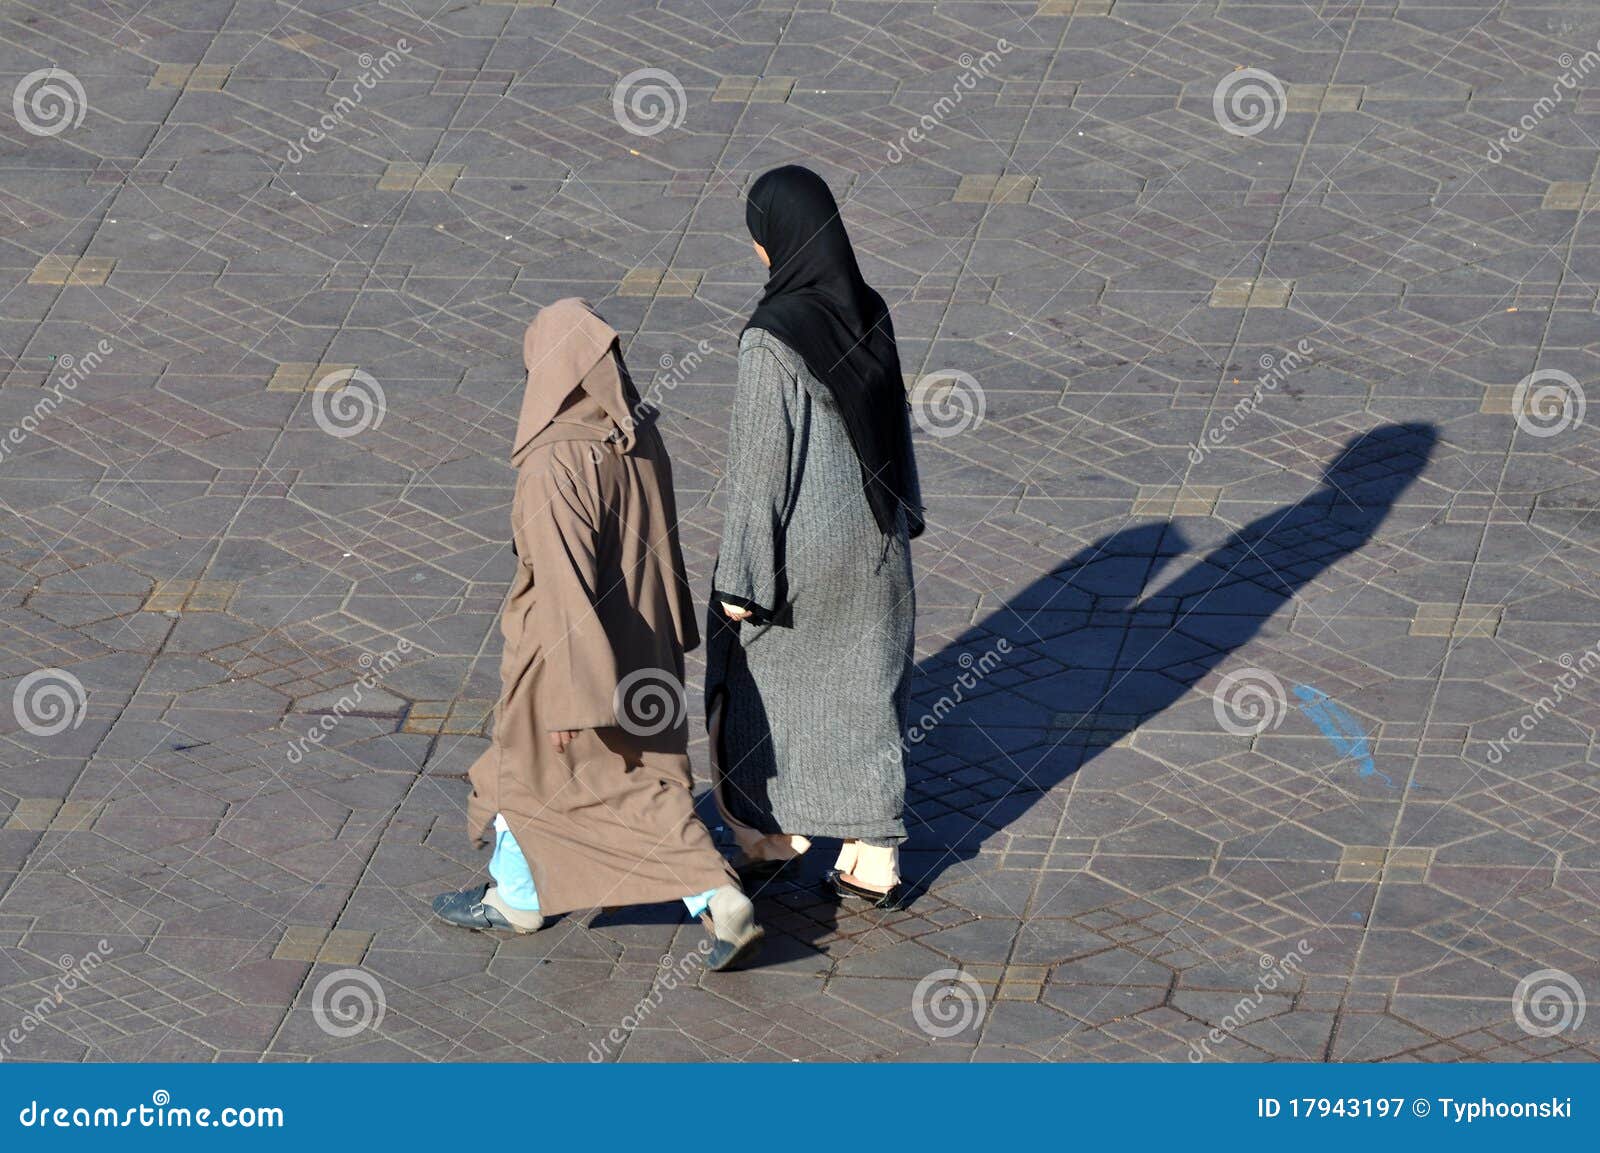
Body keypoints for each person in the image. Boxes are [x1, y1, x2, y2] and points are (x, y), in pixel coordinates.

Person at [432, 298, 763, 971]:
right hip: (645, 651)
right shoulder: (637, 435)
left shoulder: (554, 463)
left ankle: (712, 892)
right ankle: (520, 890)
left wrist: (571, 698)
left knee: (583, 782)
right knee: (594, 778)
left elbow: (561, 586)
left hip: (569, 661)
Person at [705, 165, 923, 909]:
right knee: (866, 698)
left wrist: (740, 583)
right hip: (878, 542)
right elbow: (896, 426)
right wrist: (904, 519)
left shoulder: (771, 341)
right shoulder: (870, 308)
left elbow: (760, 471)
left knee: (750, 692)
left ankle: (772, 836)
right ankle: (873, 856)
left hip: (806, 557)